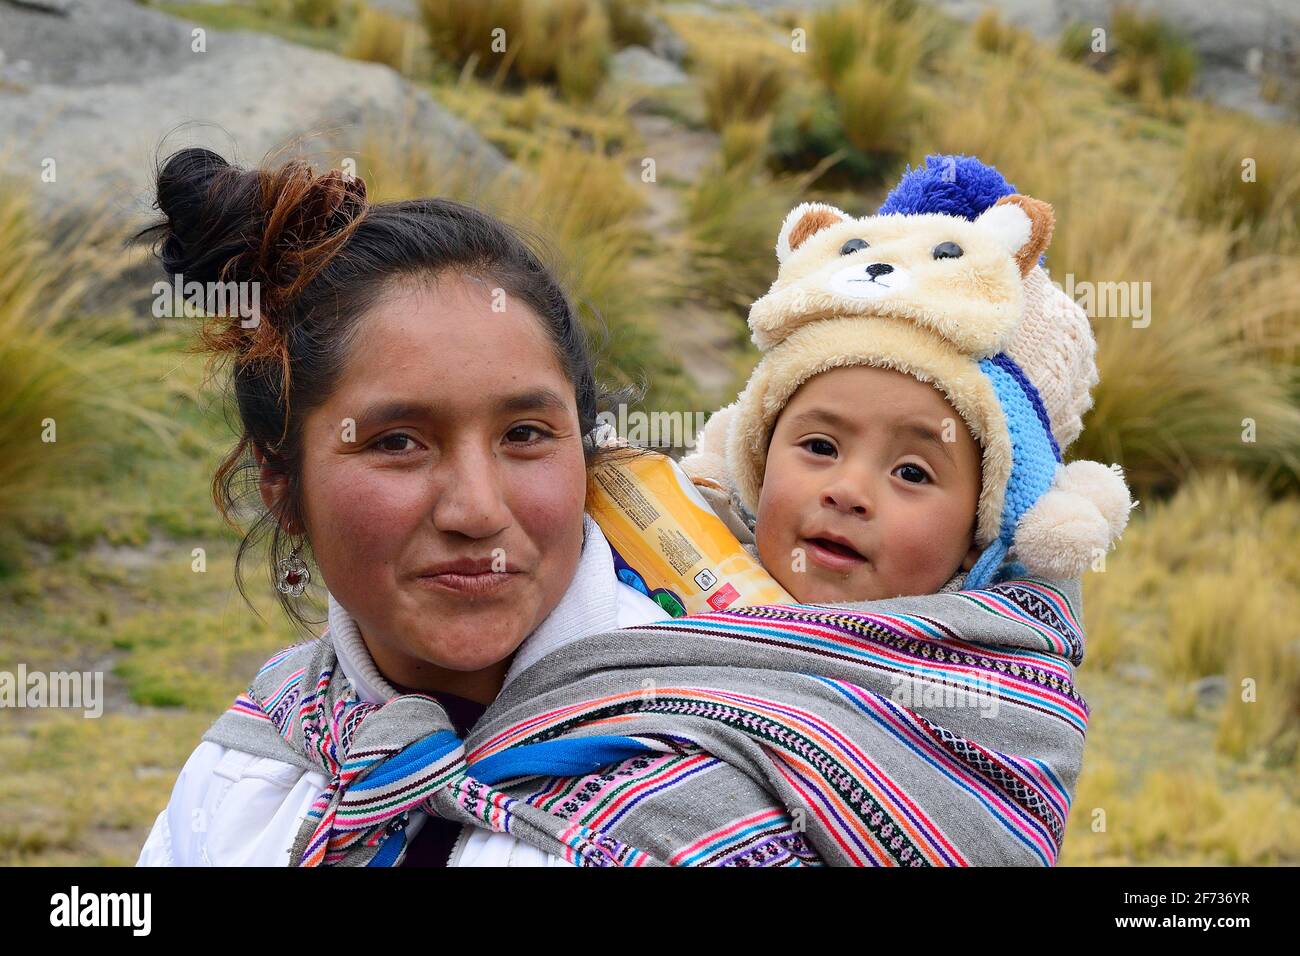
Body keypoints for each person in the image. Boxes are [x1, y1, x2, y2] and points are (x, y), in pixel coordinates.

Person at [134, 146, 665, 866]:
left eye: (525, 434)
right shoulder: (245, 777)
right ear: (280, 480)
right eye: (398, 443)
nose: (476, 512)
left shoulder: (738, 770)